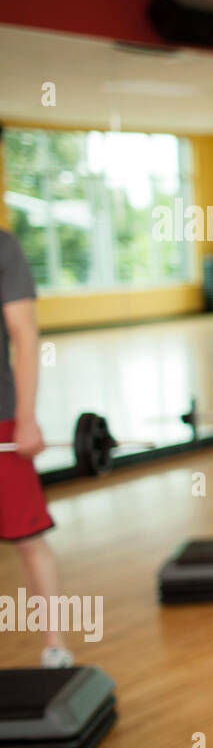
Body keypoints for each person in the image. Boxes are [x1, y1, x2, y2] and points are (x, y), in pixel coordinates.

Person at [0, 228, 73, 667]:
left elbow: (25, 336)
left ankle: (55, 646)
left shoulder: (3, 247)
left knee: (28, 537)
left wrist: (26, 418)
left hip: (2, 418)